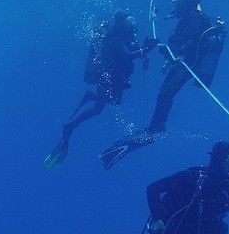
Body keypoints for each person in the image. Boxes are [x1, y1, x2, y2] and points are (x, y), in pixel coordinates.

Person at [100, 0, 226, 169]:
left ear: (185, 2)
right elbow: (185, 42)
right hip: (184, 64)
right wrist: (171, 58)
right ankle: (156, 125)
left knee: (165, 94)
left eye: (176, 2)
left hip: (186, 65)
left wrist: (177, 57)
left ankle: (157, 126)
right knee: (165, 93)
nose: (174, 5)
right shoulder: (192, 17)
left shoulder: (193, 17)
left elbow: (191, 44)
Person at [44, 10, 157, 169]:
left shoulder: (127, 35)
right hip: (109, 76)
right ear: (121, 23)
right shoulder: (115, 35)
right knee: (100, 107)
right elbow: (126, 55)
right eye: (129, 22)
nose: (132, 25)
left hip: (115, 77)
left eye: (132, 21)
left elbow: (134, 50)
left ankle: (77, 116)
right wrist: (145, 50)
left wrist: (145, 47)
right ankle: (74, 120)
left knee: (106, 105)